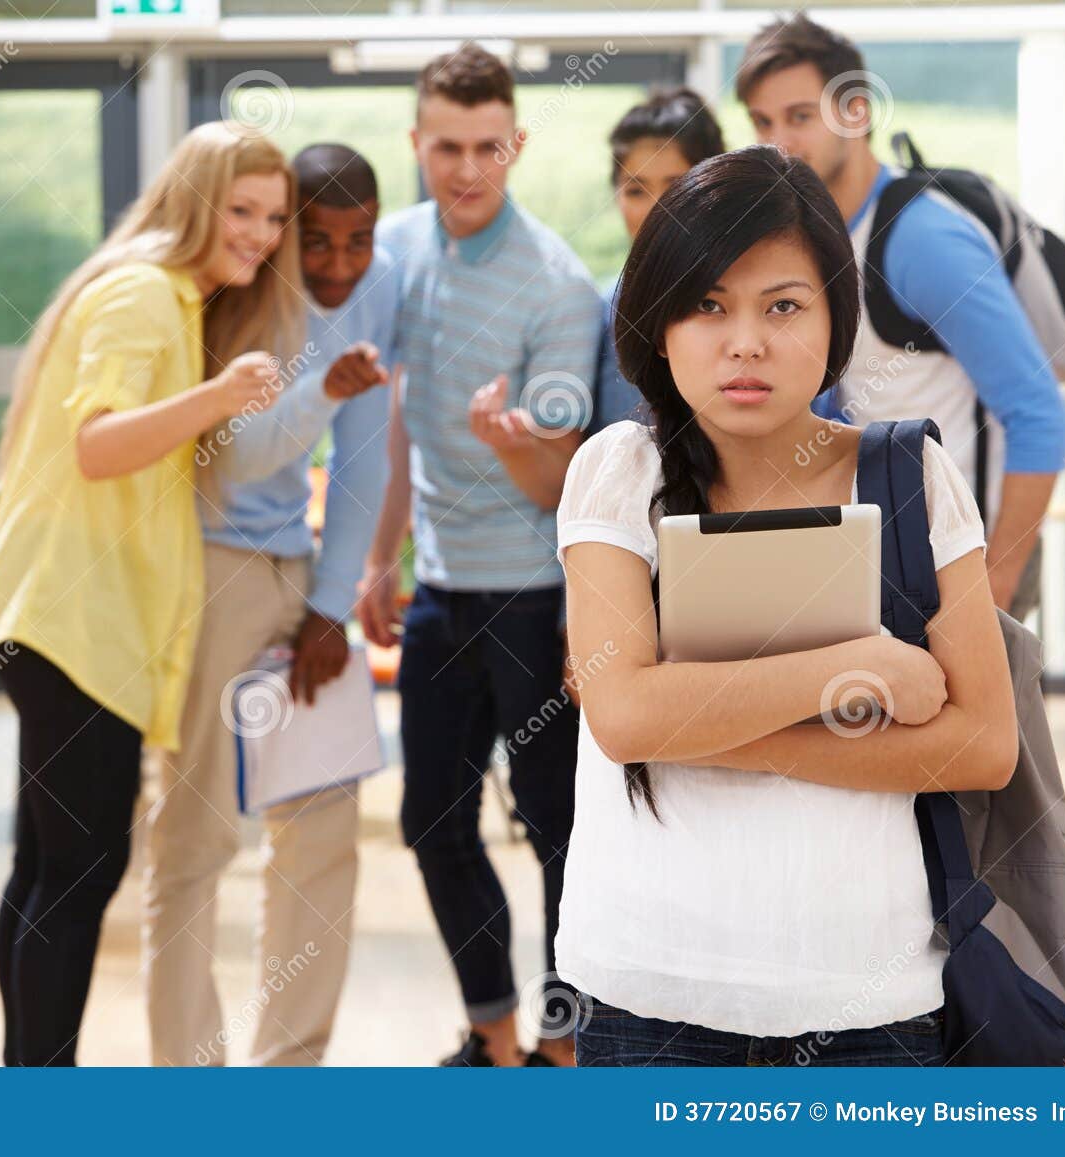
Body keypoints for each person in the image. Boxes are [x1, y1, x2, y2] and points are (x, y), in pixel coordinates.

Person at [557, 145, 1018, 1067]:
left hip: (873, 997)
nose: (746, 344)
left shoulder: (911, 476)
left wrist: (704, 727)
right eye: (706, 306)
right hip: (652, 992)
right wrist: (859, 673)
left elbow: (983, 745)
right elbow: (626, 712)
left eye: (783, 306)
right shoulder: (620, 472)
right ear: (657, 325)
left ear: (834, 319)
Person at [0, 122, 306, 1067]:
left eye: (273, 218)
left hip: (71, 623)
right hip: (78, 623)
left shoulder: (164, 298)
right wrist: (222, 396)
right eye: (242, 210)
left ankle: (29, 1080)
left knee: (48, 869)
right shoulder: (145, 296)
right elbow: (98, 444)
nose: (261, 235)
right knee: (78, 871)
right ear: (194, 200)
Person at [357, 42, 601, 1068]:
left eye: (485, 147)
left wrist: (514, 445)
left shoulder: (558, 283)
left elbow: (561, 483)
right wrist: (380, 559)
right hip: (439, 592)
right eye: (445, 147)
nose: (465, 169)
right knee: (431, 819)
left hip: (535, 595)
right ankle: (493, 1031)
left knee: (557, 829)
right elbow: (396, 417)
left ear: (517, 144)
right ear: (416, 143)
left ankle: (565, 1042)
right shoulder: (398, 250)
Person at [142, 142, 397, 1067]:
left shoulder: (382, 283)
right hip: (210, 570)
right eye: (314, 240)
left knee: (323, 829)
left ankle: (289, 1076)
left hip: (299, 570)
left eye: (358, 241)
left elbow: (366, 451)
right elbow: (234, 452)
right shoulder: (239, 290)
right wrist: (325, 390)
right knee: (196, 833)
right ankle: (190, 1080)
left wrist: (334, 600)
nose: (336, 266)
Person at [737, 13, 1065, 619]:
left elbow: (1039, 413)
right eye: (763, 121)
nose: (779, 141)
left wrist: (995, 583)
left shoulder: (923, 240)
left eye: (800, 117)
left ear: (856, 113)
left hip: (964, 561)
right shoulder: (813, 237)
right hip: (882, 558)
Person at [591, 86, 726, 436]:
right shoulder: (605, 310)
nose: (656, 210)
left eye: (675, 186)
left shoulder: (759, 296)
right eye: (636, 190)